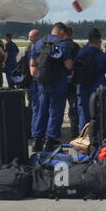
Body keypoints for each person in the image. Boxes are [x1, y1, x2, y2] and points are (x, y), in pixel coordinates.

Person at [28, 22, 73, 152]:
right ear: (62, 32)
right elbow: (68, 65)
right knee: (55, 112)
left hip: (42, 84)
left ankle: (37, 141)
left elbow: (32, 63)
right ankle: (49, 141)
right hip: (58, 84)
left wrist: (37, 77)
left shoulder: (38, 43)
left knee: (41, 111)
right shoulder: (63, 45)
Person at [71, 28, 106, 135]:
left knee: (84, 115)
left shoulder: (81, 53)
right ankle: (97, 136)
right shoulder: (104, 56)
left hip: (83, 88)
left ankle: (83, 137)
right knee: (98, 114)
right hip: (98, 89)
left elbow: (73, 69)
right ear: (99, 41)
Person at [23, 28, 41, 140]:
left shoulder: (36, 48)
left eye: (31, 37)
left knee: (35, 107)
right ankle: (33, 131)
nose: (29, 39)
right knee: (34, 107)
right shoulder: (30, 48)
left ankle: (33, 131)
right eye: (29, 37)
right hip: (31, 82)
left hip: (34, 81)